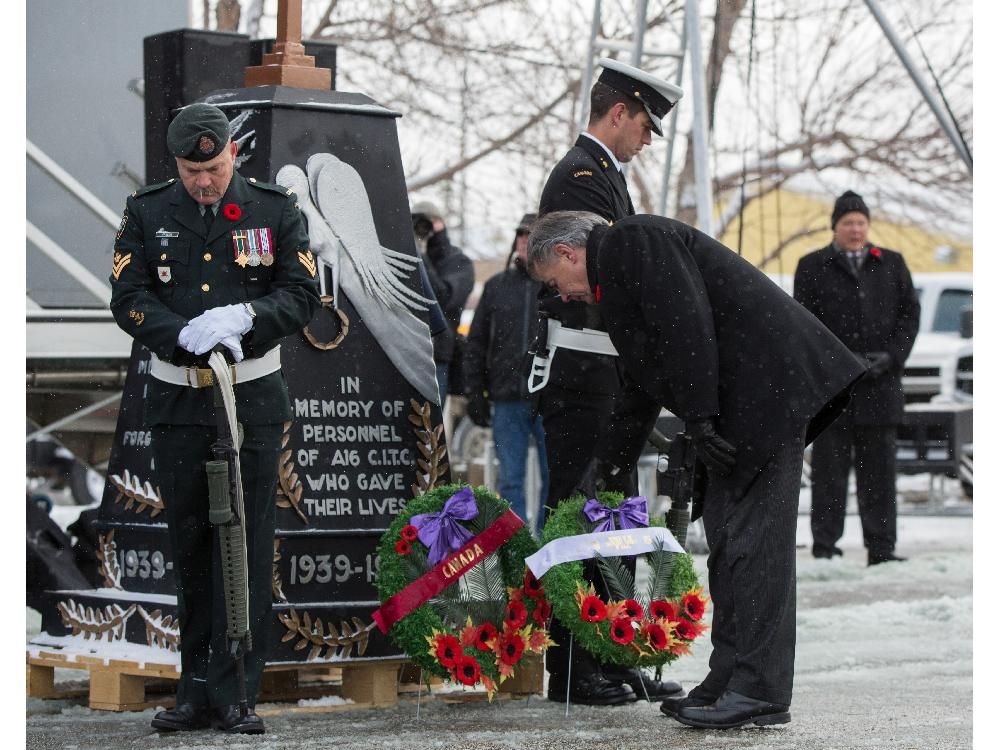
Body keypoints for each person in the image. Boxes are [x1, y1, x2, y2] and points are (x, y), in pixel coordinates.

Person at [526, 210, 865, 729]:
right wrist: (611, 462)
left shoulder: (633, 241)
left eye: (556, 282)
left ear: (567, 252)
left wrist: (701, 419)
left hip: (769, 392)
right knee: (729, 540)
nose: (563, 296)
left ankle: (760, 689)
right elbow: (640, 380)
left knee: (756, 545)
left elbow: (686, 322)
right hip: (743, 402)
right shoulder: (617, 277)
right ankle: (729, 675)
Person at [109, 103, 321, 734]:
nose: (204, 181)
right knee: (192, 543)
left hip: (249, 398)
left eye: (214, 166)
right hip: (178, 397)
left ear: (233, 152)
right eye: (191, 169)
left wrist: (244, 320)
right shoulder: (147, 211)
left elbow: (303, 295)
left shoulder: (275, 209)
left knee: (246, 543)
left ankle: (237, 692)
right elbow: (128, 297)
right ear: (174, 163)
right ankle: (193, 689)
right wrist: (183, 334)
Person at [535, 58, 683, 706]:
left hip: (608, 375)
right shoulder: (581, 178)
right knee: (581, 518)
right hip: (584, 374)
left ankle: (610, 652)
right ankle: (573, 667)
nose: (647, 139)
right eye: (645, 126)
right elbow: (597, 281)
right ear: (618, 112)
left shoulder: (606, 180)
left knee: (614, 517)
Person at [794, 191, 920, 565]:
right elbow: (805, 321)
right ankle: (825, 546)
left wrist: (891, 357)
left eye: (860, 223)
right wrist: (839, 361)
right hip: (835, 393)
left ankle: (881, 548)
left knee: (879, 476)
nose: (855, 229)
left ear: (868, 226)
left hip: (880, 389)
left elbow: (909, 316)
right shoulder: (813, 266)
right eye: (848, 223)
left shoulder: (892, 264)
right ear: (835, 227)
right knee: (829, 475)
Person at [463, 213, 549, 536]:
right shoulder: (497, 287)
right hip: (507, 398)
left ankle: (546, 545)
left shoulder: (555, 286)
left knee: (552, 478)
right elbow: (476, 343)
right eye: (520, 235)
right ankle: (518, 545)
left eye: (531, 235)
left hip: (548, 399)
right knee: (510, 478)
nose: (524, 240)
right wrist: (475, 392)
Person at [411, 200, 475, 405]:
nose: (422, 228)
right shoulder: (405, 254)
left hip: (437, 355)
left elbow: (444, 299)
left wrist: (421, 257)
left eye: (427, 221)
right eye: (415, 222)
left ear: (440, 223)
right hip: (407, 349)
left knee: (431, 427)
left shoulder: (459, 262)